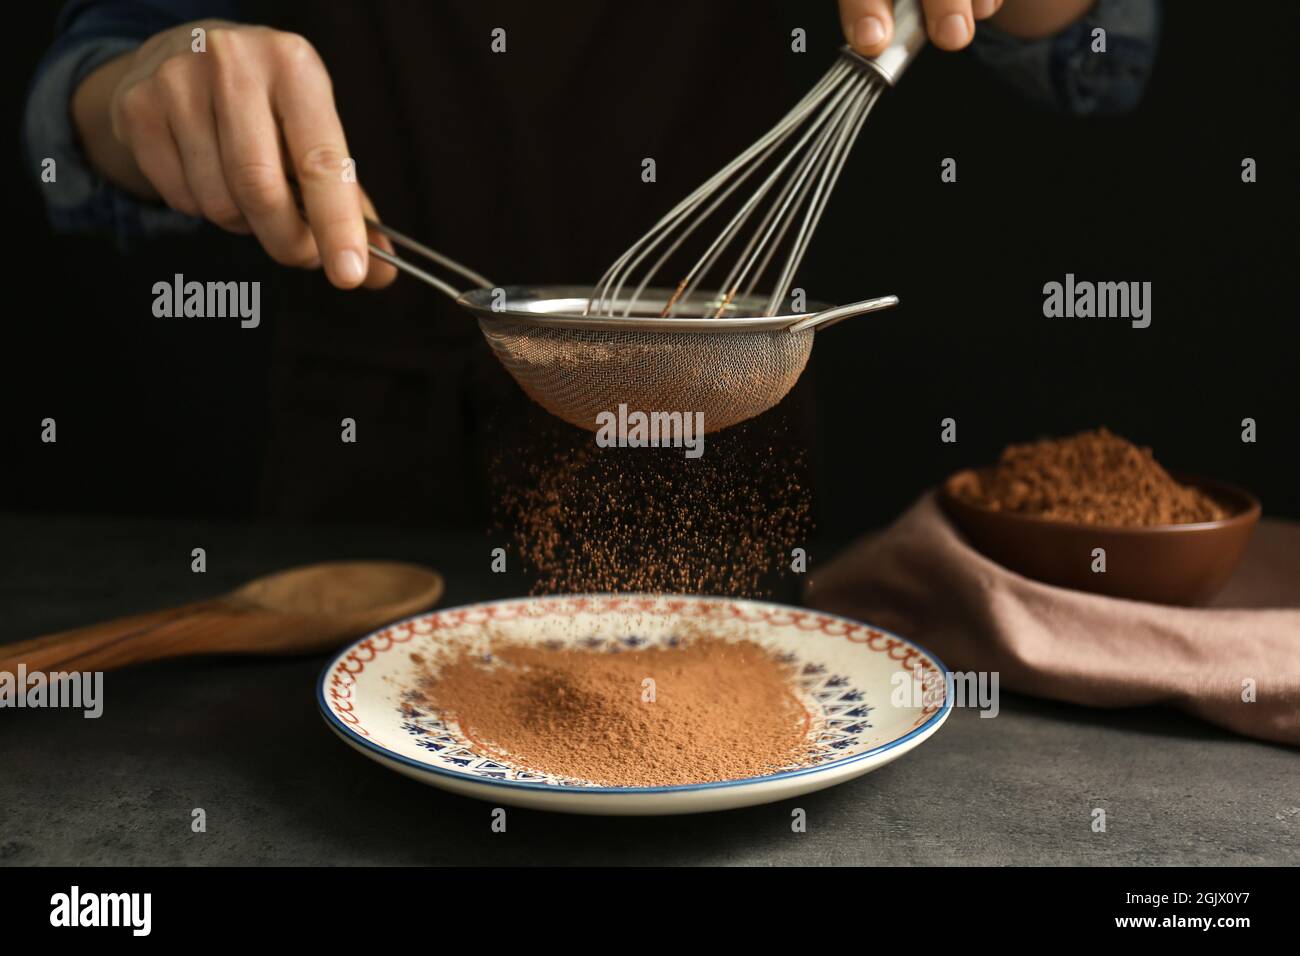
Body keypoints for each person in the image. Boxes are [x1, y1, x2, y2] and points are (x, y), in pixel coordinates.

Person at [25, 0, 1159, 524]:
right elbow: (87, 73)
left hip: (717, 458)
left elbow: (1098, 55)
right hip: (362, 461)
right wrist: (132, 93)